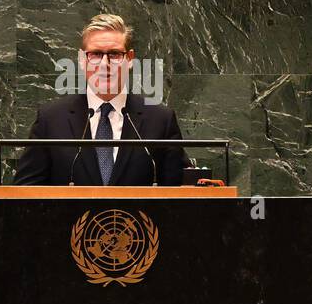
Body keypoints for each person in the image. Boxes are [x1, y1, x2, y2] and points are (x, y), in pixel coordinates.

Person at [13, 14, 185, 186]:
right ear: (82, 60)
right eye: (95, 54)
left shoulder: (161, 120)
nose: (104, 64)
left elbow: (183, 195)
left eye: (115, 54)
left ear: (130, 59)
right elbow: (23, 194)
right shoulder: (51, 119)